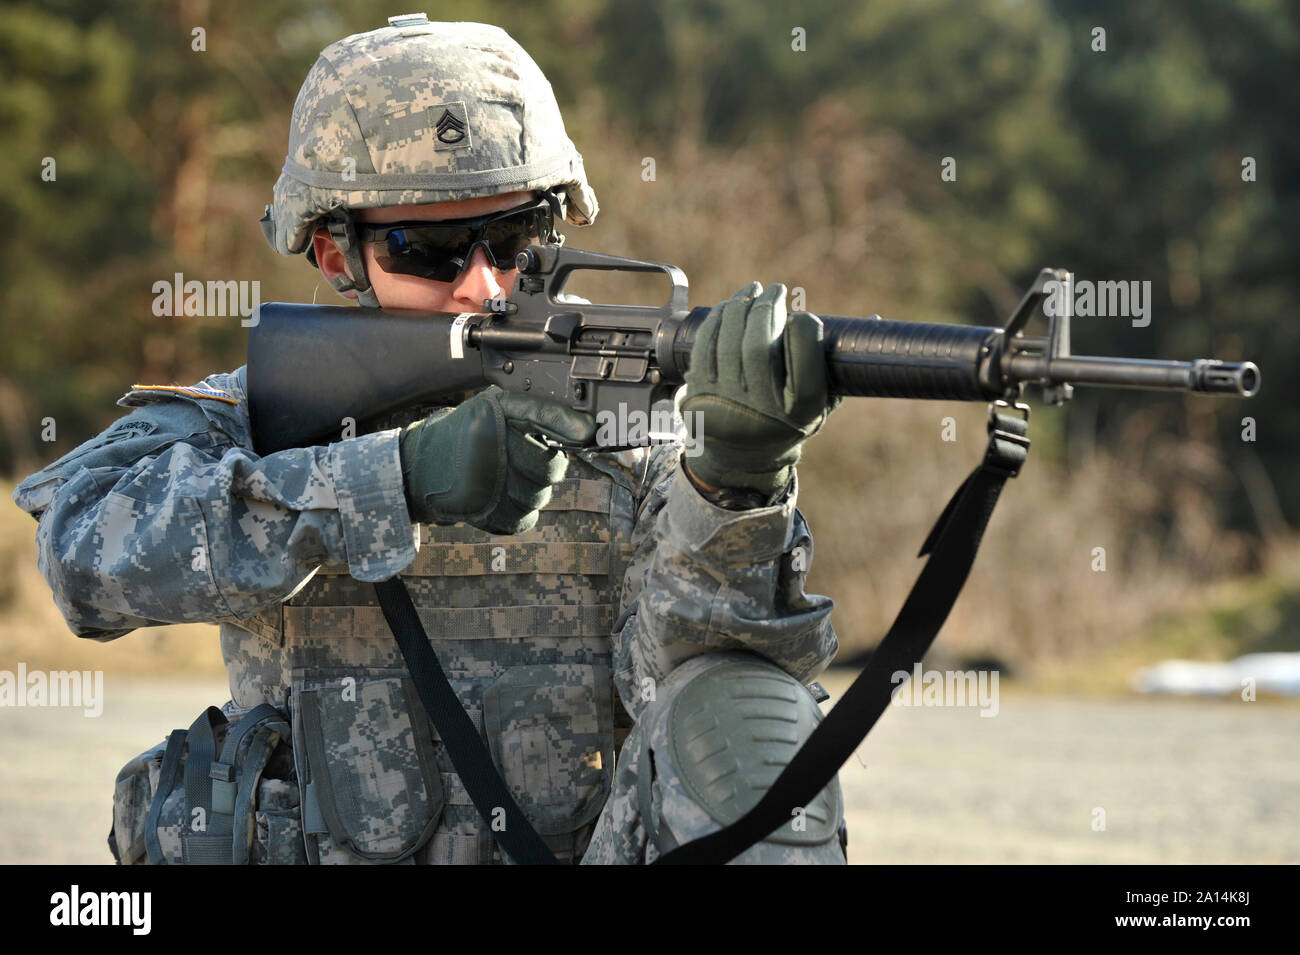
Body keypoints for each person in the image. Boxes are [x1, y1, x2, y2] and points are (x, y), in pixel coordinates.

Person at [14, 15, 844, 864]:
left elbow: (701, 679)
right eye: (433, 249)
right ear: (336, 256)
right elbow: (82, 556)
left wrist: (737, 487)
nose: (483, 284)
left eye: (518, 240)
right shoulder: (260, 417)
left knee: (747, 718)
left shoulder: (630, 434)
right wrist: (398, 478)